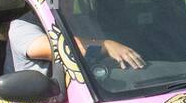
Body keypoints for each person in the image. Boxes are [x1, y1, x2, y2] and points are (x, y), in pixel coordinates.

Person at [8, 18, 145, 73]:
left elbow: (95, 57)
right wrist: (106, 45)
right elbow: (69, 51)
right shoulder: (21, 27)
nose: (68, 0)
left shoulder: (80, 19)